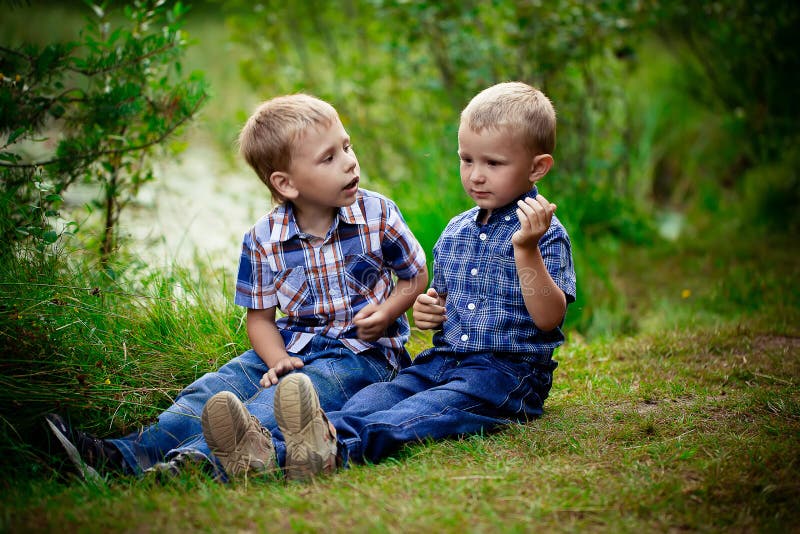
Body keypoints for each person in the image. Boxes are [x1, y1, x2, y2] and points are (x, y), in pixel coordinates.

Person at [201, 81, 576, 481]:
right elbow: (442, 307)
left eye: (493, 164)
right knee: (372, 401)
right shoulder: (456, 231)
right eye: (467, 160)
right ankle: (263, 451)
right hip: (443, 361)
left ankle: (317, 454)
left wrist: (527, 250)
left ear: (537, 167)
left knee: (413, 415)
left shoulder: (544, 234)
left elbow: (548, 318)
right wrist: (432, 313)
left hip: (507, 373)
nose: (476, 176)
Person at [46, 93, 428, 480]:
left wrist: (389, 310)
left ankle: (191, 465)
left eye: (346, 147)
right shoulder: (262, 240)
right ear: (286, 183)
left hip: (362, 357)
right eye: (329, 158)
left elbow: (414, 275)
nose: (349, 161)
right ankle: (119, 456)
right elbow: (260, 320)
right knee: (215, 388)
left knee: (276, 402)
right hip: (291, 347)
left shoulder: (376, 213)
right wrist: (277, 358)